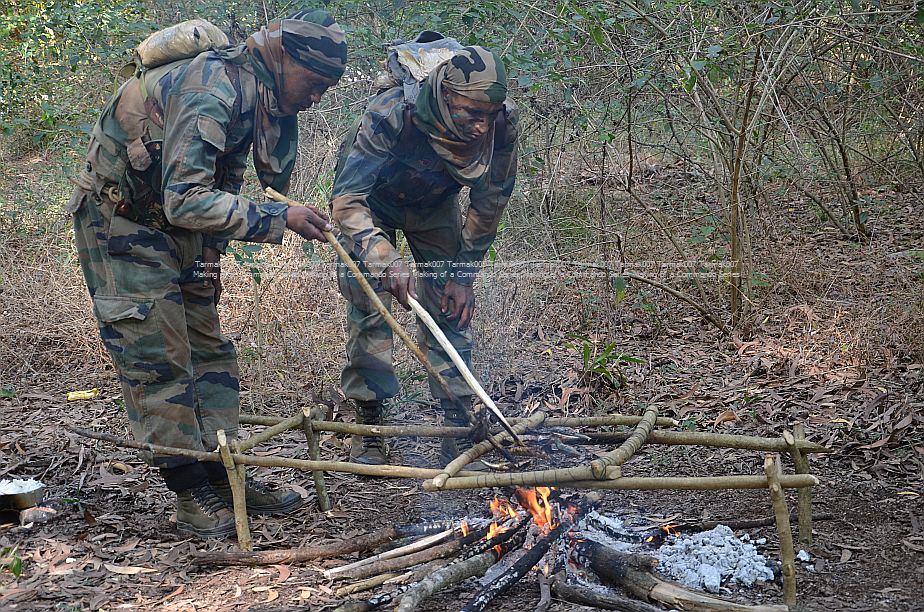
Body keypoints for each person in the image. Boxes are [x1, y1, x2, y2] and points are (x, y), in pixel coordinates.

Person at [68, 9, 347, 538]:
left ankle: (223, 475)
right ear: (284, 59)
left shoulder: (254, 93)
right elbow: (185, 198)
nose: (317, 99)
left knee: (209, 349)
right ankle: (187, 486)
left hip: (180, 229)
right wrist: (279, 218)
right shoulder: (212, 89)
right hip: (121, 220)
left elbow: (223, 178)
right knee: (157, 349)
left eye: (327, 90)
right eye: (315, 84)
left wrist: (208, 256)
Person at [330, 45, 518, 467]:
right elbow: (346, 200)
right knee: (369, 305)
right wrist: (384, 258)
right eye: (472, 113)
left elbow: (490, 201)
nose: (481, 125)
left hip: (434, 205)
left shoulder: (502, 124)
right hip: (370, 204)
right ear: (447, 96)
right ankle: (371, 424)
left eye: (488, 114)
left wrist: (463, 275)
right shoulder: (391, 113)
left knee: (449, 307)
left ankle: (456, 424)